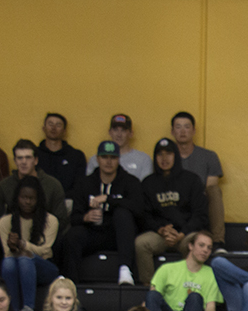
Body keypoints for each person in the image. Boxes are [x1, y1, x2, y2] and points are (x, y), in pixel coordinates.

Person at [61, 141, 144, 286]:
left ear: (119, 159)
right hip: (94, 232)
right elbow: (74, 218)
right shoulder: (85, 183)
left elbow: (139, 209)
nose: (109, 161)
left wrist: (109, 199)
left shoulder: (130, 181)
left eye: (113, 157)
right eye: (104, 157)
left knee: (122, 214)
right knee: (73, 235)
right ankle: (71, 284)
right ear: (98, 159)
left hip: (119, 235)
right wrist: (85, 217)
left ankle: (125, 269)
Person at [135, 138, 208, 285]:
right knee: (141, 243)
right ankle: (149, 287)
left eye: (168, 154)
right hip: (160, 234)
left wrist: (181, 234)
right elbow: (144, 215)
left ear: (176, 155)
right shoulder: (148, 183)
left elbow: (199, 215)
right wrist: (161, 230)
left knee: (197, 243)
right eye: (160, 154)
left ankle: (191, 285)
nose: (164, 158)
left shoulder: (191, 180)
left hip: (185, 234)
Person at [147, 231, 220, 311]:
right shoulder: (167, 268)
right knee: (152, 295)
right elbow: (153, 295)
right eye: (201, 245)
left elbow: (211, 305)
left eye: (209, 248)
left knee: (195, 296)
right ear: (190, 246)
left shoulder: (211, 274)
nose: (205, 250)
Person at [0, 176, 59, 311]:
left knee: (25, 259)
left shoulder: (51, 220)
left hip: (45, 267)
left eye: (32, 198)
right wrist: (13, 248)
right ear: (17, 198)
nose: (27, 202)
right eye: (24, 197)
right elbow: (7, 255)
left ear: (38, 199)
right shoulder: (5, 222)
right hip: (16, 266)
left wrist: (23, 244)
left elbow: (45, 251)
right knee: (8, 262)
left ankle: (28, 309)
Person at [0, 140, 70, 237]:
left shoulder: (53, 185)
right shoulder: (3, 186)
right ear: (15, 161)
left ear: (36, 160)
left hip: (46, 235)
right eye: (20, 158)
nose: (24, 162)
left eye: (28, 157)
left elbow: (61, 220)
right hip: (13, 236)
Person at [171, 111, 225, 246]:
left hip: (198, 202)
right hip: (174, 202)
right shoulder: (166, 158)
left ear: (194, 131)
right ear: (172, 131)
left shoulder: (209, 156)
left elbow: (209, 188)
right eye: (178, 127)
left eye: (187, 127)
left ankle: (218, 242)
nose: (182, 131)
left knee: (214, 191)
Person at [85, 114, 153, 181]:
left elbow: (146, 185)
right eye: (115, 130)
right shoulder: (96, 160)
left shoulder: (143, 160)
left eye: (123, 130)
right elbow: (89, 184)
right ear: (110, 132)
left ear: (131, 133)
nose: (119, 134)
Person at [35, 113, 87, 193]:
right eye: (50, 124)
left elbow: (79, 185)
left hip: (68, 199)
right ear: (44, 128)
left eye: (58, 125)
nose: (53, 128)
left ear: (64, 131)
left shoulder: (76, 156)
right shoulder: (34, 154)